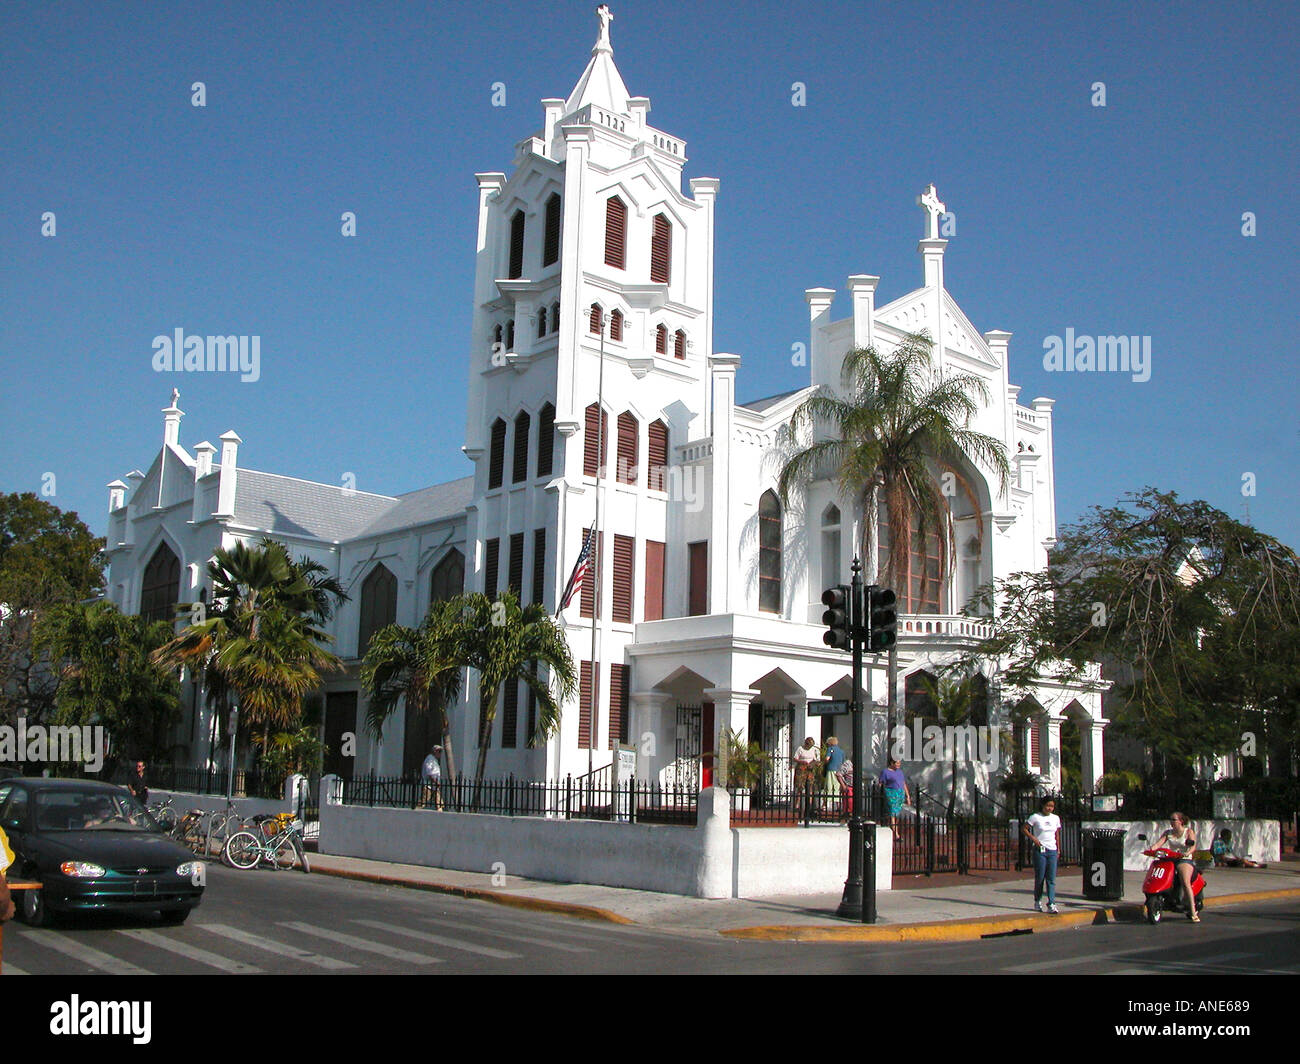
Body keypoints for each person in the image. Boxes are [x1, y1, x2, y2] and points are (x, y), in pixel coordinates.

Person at [1158, 811, 1201, 921]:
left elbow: (1193, 846)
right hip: (1172, 858)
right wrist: (1150, 850)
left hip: (1184, 859)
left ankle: (1193, 912)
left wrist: (1188, 852)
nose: (1171, 822)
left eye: (1174, 819)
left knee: (1185, 882)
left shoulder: (1188, 832)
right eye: (1170, 819)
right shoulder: (1168, 833)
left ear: (1181, 821)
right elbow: (1158, 844)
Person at [1021, 797, 1061, 913]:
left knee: (1051, 878)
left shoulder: (1055, 818)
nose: (1049, 808)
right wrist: (1034, 839)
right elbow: (1024, 828)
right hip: (1040, 849)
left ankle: (1051, 903)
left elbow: (1057, 834)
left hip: (1052, 849)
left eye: (1052, 806)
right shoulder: (1035, 817)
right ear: (1042, 805)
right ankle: (1037, 900)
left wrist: (1058, 849)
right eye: (1047, 805)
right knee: (1040, 877)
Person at [879, 757, 910, 830]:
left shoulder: (900, 772)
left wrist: (907, 796)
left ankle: (894, 828)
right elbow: (881, 783)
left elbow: (903, 783)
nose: (899, 765)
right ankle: (896, 833)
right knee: (892, 813)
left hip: (900, 794)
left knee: (897, 814)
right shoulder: (885, 772)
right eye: (897, 763)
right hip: (891, 794)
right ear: (892, 763)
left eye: (899, 763)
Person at [793, 737, 819, 819]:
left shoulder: (814, 750)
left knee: (810, 787)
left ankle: (809, 805)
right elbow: (795, 758)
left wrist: (813, 763)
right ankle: (797, 804)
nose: (809, 747)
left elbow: (816, 759)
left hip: (809, 768)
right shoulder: (800, 748)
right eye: (808, 745)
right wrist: (801, 762)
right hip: (801, 768)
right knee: (800, 786)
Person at [420, 746, 444, 810]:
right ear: (434, 752)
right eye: (439, 751)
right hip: (428, 785)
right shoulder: (430, 759)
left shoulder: (434, 760)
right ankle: (415, 813)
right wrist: (436, 782)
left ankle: (440, 813)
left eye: (440, 752)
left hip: (434, 786)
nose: (440, 754)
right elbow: (429, 773)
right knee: (423, 802)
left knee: (439, 803)